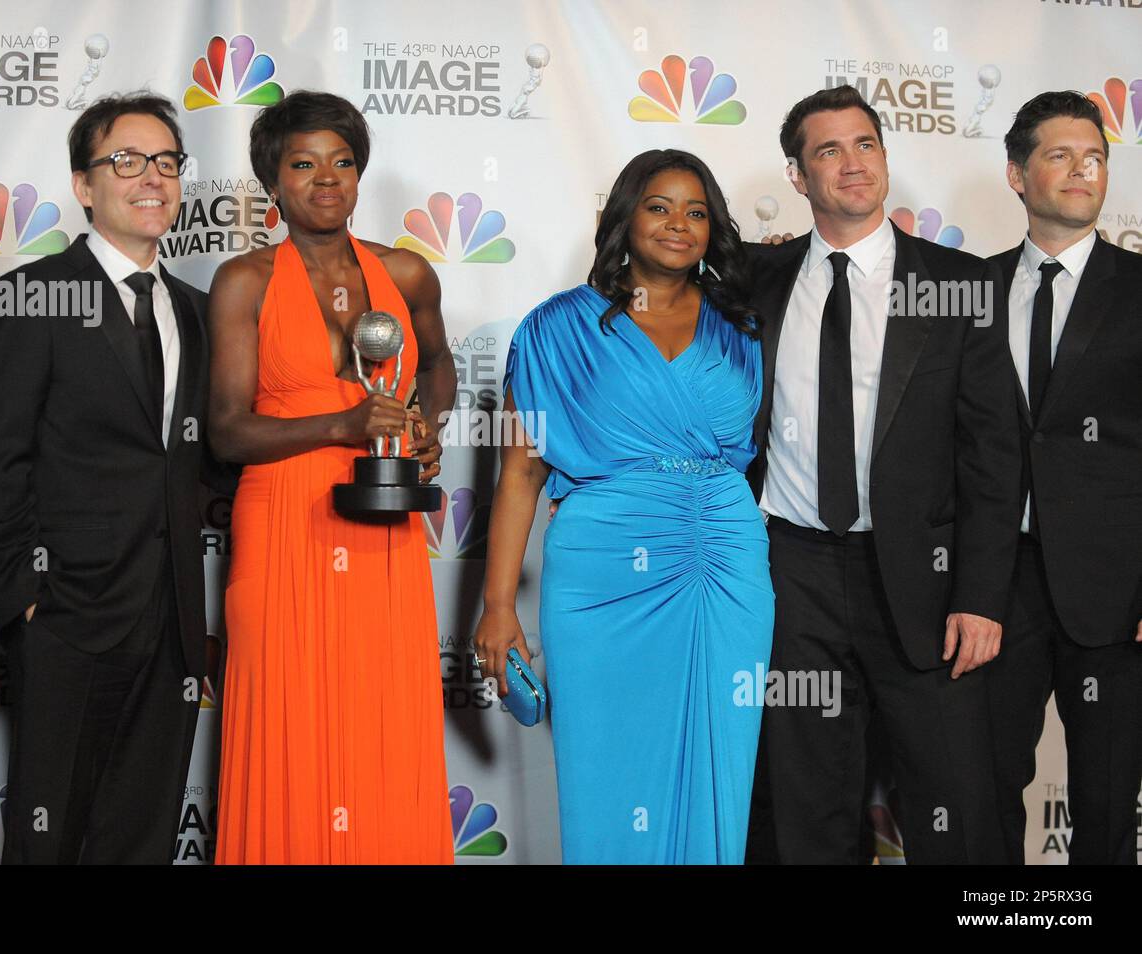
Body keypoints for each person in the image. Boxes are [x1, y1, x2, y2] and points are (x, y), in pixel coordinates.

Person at [743, 85, 1020, 864]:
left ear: (887, 159)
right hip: (792, 573)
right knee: (806, 800)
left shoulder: (959, 283)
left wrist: (979, 594)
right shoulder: (756, 284)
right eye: (828, 150)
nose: (852, 163)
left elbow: (995, 456)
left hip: (925, 581)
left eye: (865, 144)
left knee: (953, 800)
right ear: (798, 176)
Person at [474, 149, 772, 864]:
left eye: (697, 212)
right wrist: (498, 605)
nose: (679, 224)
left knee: (718, 769)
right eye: (659, 206)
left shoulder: (741, 326)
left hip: (724, 567)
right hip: (604, 570)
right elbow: (520, 473)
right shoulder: (555, 330)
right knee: (606, 767)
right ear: (623, 217)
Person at [0, 92, 216, 863]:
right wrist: (24, 601)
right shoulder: (29, 296)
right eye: (127, 161)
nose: (152, 178)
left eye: (167, 163)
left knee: (140, 835)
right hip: (65, 617)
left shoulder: (201, 312)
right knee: (50, 835)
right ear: (82, 184)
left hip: (171, 621)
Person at [208, 90, 456, 864]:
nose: (327, 180)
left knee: (380, 714)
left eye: (342, 163)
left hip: (384, 526)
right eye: (304, 163)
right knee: (289, 716)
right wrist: (343, 426)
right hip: (283, 518)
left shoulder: (406, 273)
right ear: (272, 181)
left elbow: (439, 364)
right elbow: (226, 431)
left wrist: (424, 421)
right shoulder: (243, 281)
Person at [987, 90, 1142, 865]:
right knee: (983, 794)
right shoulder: (965, 292)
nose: (1083, 170)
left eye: (1096, 158)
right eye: (1060, 155)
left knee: (1108, 803)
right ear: (1017, 174)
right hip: (991, 588)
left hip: (1116, 591)